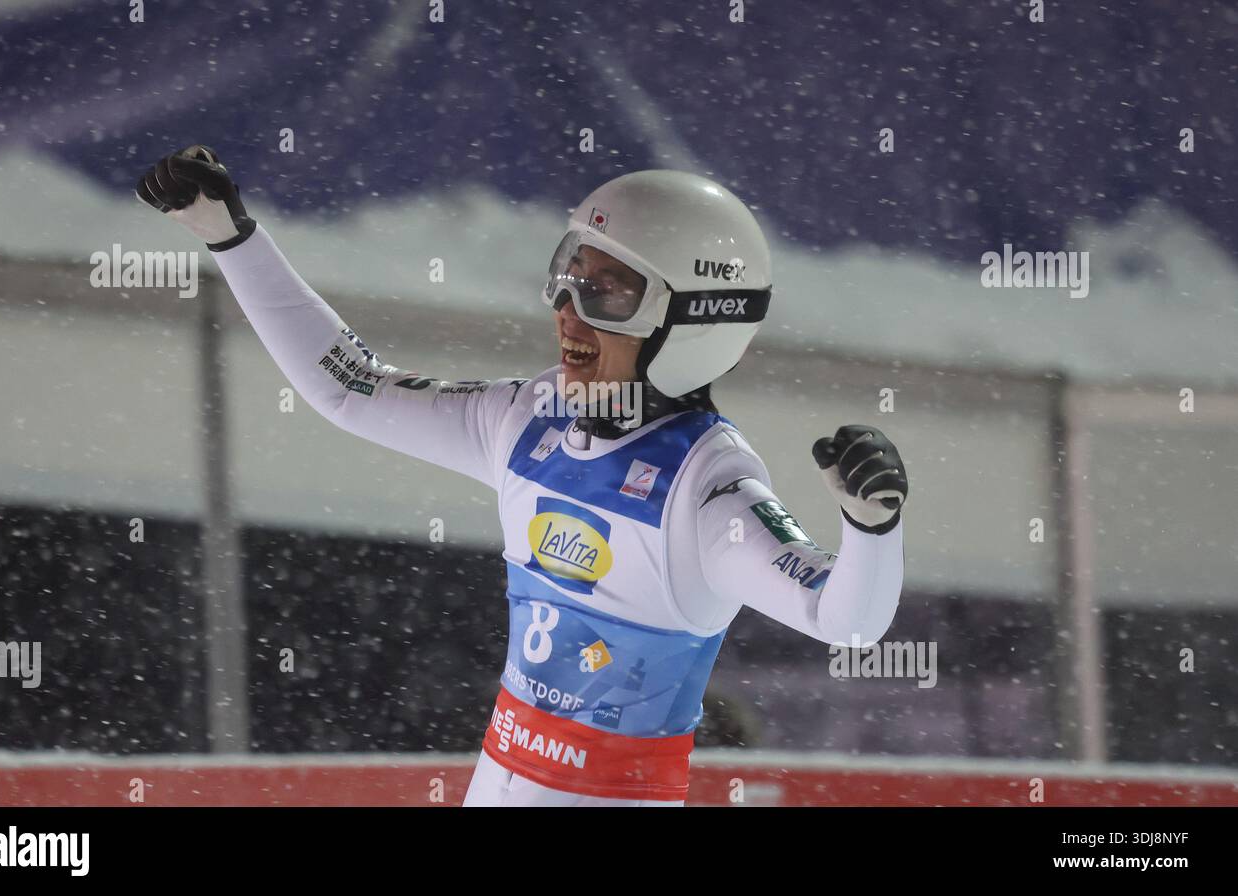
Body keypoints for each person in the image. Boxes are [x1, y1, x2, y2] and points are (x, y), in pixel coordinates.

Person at [137, 146, 910, 807]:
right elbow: (351, 387)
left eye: (607, 291)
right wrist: (233, 241)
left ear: (696, 319)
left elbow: (844, 621)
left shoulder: (707, 491)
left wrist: (872, 529)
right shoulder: (526, 419)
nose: (568, 312)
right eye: (568, 276)